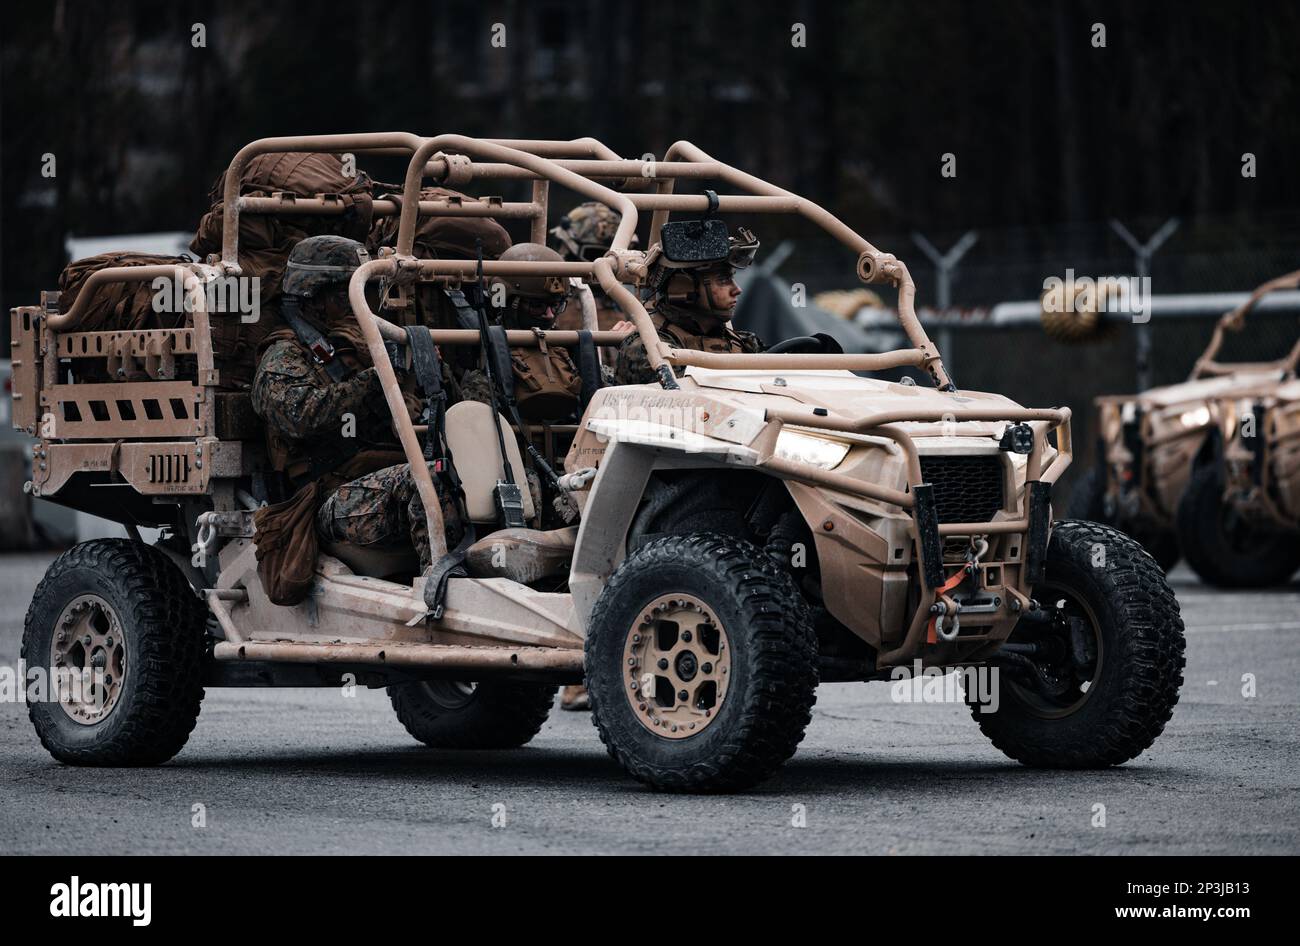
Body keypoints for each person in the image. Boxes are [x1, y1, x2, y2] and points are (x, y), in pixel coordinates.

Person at [251, 235, 462, 593]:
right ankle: (441, 590)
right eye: (344, 295)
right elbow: (300, 416)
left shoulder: (368, 343)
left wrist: (430, 371)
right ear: (312, 298)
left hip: (385, 474)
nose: (355, 305)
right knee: (427, 481)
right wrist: (378, 376)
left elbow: (445, 408)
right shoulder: (284, 354)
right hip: (329, 495)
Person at [614, 227, 764, 385]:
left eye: (731, 278)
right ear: (684, 286)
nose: (737, 289)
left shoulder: (745, 343)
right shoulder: (645, 349)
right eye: (722, 280)